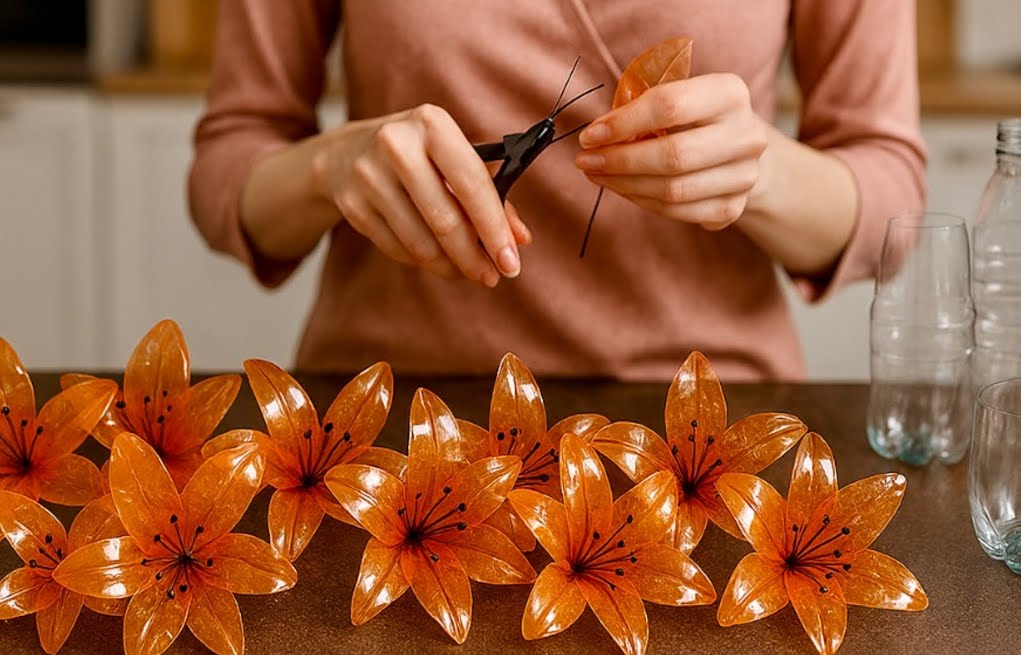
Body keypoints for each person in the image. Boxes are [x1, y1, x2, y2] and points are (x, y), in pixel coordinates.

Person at [188, 1, 925, 380]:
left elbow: (896, 203)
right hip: (391, 427)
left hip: (704, 439)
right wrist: (331, 168)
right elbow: (227, 167)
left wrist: (759, 172)